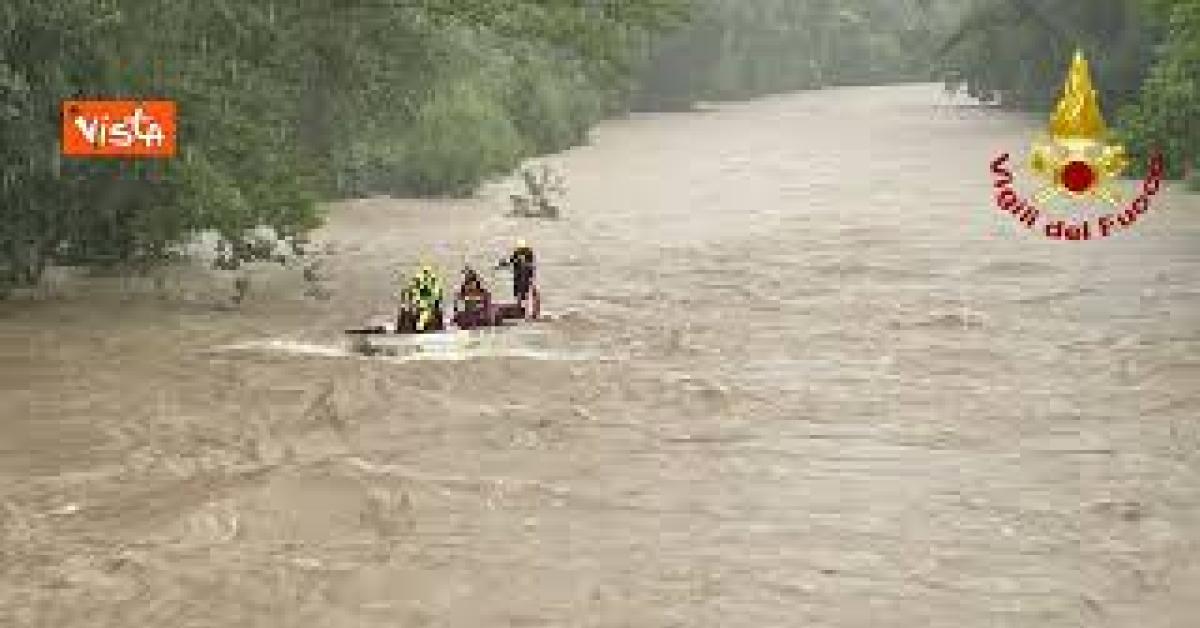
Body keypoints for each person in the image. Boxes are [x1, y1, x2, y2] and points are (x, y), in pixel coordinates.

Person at [498, 239, 536, 303]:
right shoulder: (517, 254)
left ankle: (522, 303)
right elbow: (511, 262)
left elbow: (529, 266)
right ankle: (520, 303)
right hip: (519, 276)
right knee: (520, 292)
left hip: (524, 276)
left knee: (523, 291)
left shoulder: (528, 255)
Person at [409, 264, 444, 332]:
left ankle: (421, 324)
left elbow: (413, 287)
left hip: (424, 299)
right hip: (426, 299)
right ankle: (421, 325)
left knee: (425, 312)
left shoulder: (420, 278)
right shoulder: (430, 278)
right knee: (425, 312)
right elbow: (437, 289)